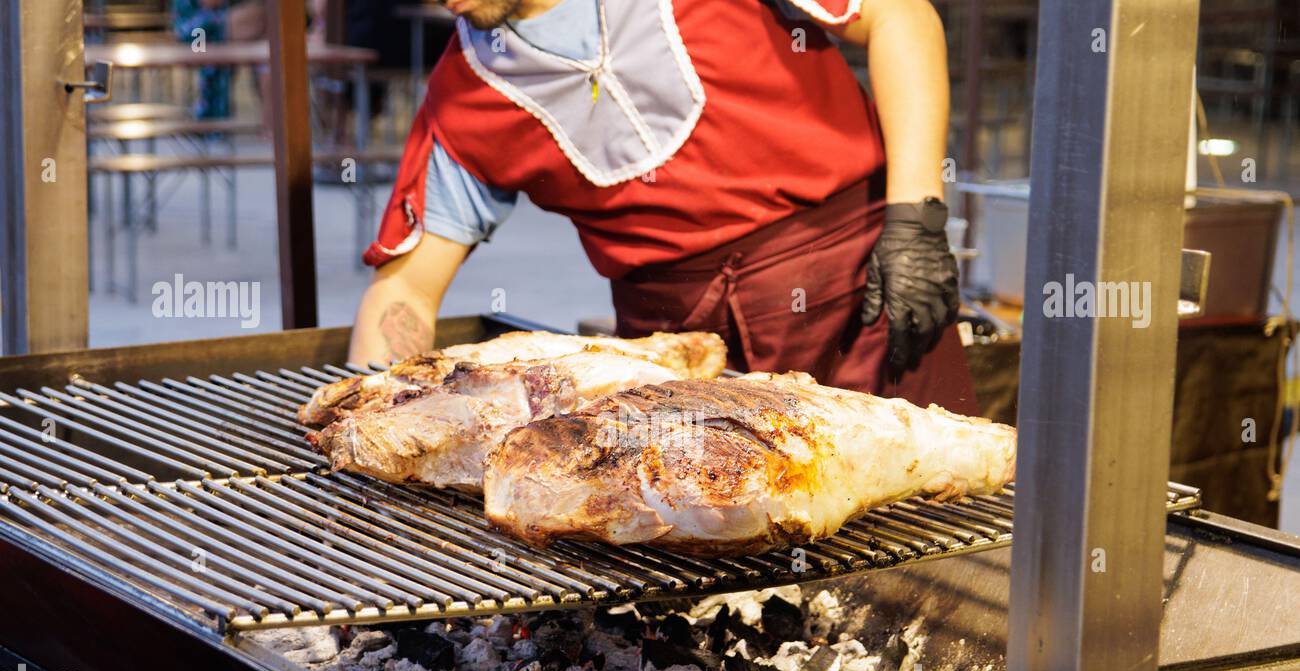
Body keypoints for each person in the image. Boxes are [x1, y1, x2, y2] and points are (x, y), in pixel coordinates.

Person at [351, 0, 976, 412]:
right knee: (715, 594)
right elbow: (404, 292)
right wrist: (376, 420)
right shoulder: (464, 95)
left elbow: (900, 18)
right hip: (680, 352)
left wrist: (917, 223)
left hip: (864, 288)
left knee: (927, 547)